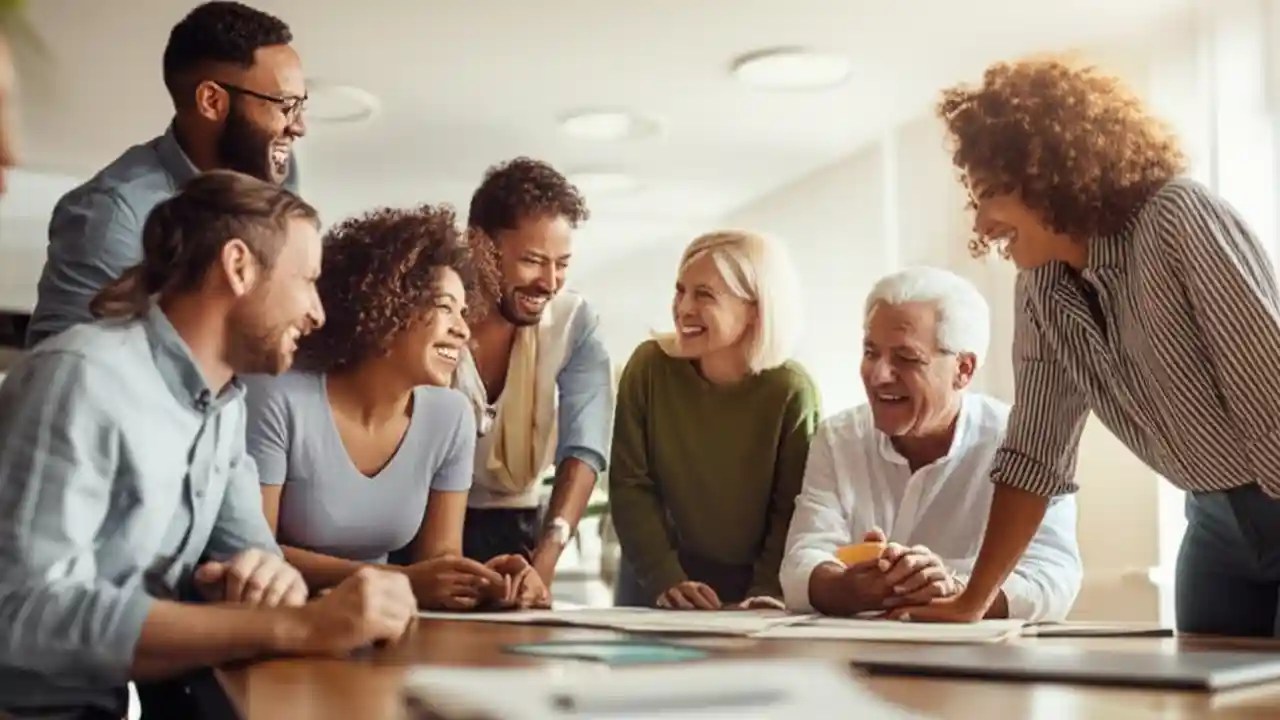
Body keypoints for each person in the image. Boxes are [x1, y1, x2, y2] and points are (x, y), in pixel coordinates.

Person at [0, 171, 417, 719]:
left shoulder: (223, 406)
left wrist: (270, 580)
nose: (317, 312)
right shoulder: (82, 377)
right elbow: (20, 614)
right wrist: (299, 625)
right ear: (239, 266)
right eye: (308, 280)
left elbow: (256, 560)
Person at [901, 58, 1280, 636]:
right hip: (1212, 523)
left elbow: (1270, 391)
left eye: (992, 194)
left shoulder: (1178, 218)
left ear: (1050, 174)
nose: (982, 220)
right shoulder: (1041, 290)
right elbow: (1035, 454)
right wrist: (974, 600)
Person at [245, 204, 550, 610]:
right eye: (444, 307)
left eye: (463, 313)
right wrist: (399, 580)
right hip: (282, 624)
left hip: (383, 627)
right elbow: (253, 554)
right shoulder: (278, 398)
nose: (462, 330)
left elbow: (438, 559)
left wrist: (486, 580)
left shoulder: (451, 416)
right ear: (386, 303)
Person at [780, 267, 1082, 621]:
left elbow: (1054, 582)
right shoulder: (838, 438)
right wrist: (847, 587)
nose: (878, 375)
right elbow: (801, 561)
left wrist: (958, 590)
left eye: (906, 358)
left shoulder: (1025, 443)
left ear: (963, 370)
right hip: (859, 660)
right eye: (870, 352)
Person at [27, 0, 305, 347]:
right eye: (285, 105)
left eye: (301, 104)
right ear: (212, 102)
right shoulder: (113, 214)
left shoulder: (277, 176)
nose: (299, 127)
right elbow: (60, 370)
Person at [610, 230, 822, 610]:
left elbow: (791, 508)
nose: (683, 308)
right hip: (655, 583)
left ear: (756, 308)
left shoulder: (791, 391)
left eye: (704, 294)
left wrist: (764, 593)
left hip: (755, 592)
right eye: (680, 290)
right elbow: (630, 484)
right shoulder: (648, 368)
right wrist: (665, 578)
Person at [456, 157, 613, 589]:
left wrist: (546, 559)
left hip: (518, 527)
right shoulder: (433, 311)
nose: (549, 282)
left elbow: (585, 444)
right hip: (418, 523)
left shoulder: (573, 321)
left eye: (561, 263)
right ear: (478, 245)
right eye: (532, 260)